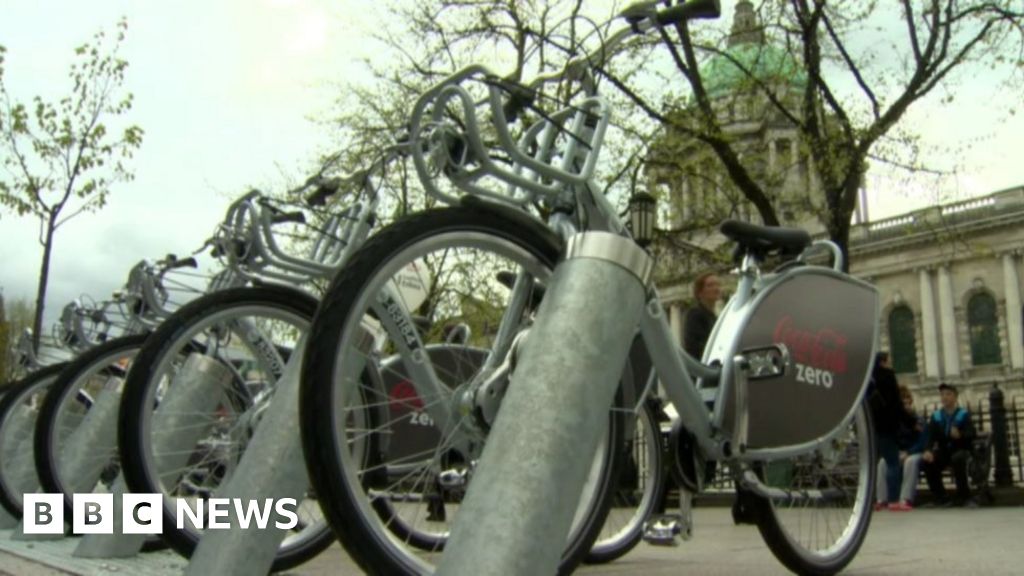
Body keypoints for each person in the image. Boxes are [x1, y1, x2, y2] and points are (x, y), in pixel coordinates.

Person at [868, 352, 918, 511]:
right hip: (887, 425)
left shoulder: (869, 378)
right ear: (883, 362)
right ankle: (893, 500)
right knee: (892, 463)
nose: (891, 363)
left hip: (871, 427)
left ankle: (875, 500)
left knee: (873, 464)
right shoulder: (888, 377)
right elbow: (897, 405)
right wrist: (911, 422)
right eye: (889, 361)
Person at [922, 383, 977, 507]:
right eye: (942, 395)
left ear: (955, 397)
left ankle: (963, 496)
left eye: (948, 394)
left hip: (961, 449)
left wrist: (960, 435)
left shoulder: (963, 414)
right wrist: (928, 450)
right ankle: (941, 497)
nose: (944, 397)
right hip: (945, 451)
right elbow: (930, 436)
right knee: (928, 461)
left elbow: (972, 433)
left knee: (958, 459)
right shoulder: (936, 416)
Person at [876, 384, 926, 510]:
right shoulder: (896, 422)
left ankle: (906, 499)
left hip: (915, 452)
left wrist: (908, 452)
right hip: (899, 452)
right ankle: (882, 499)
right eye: (901, 400)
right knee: (883, 462)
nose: (905, 403)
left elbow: (922, 442)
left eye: (906, 399)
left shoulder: (918, 419)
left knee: (910, 462)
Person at [683, 272, 721, 360]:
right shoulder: (695, 314)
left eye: (718, 284)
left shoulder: (713, 317)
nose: (716, 288)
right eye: (710, 285)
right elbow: (695, 347)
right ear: (700, 292)